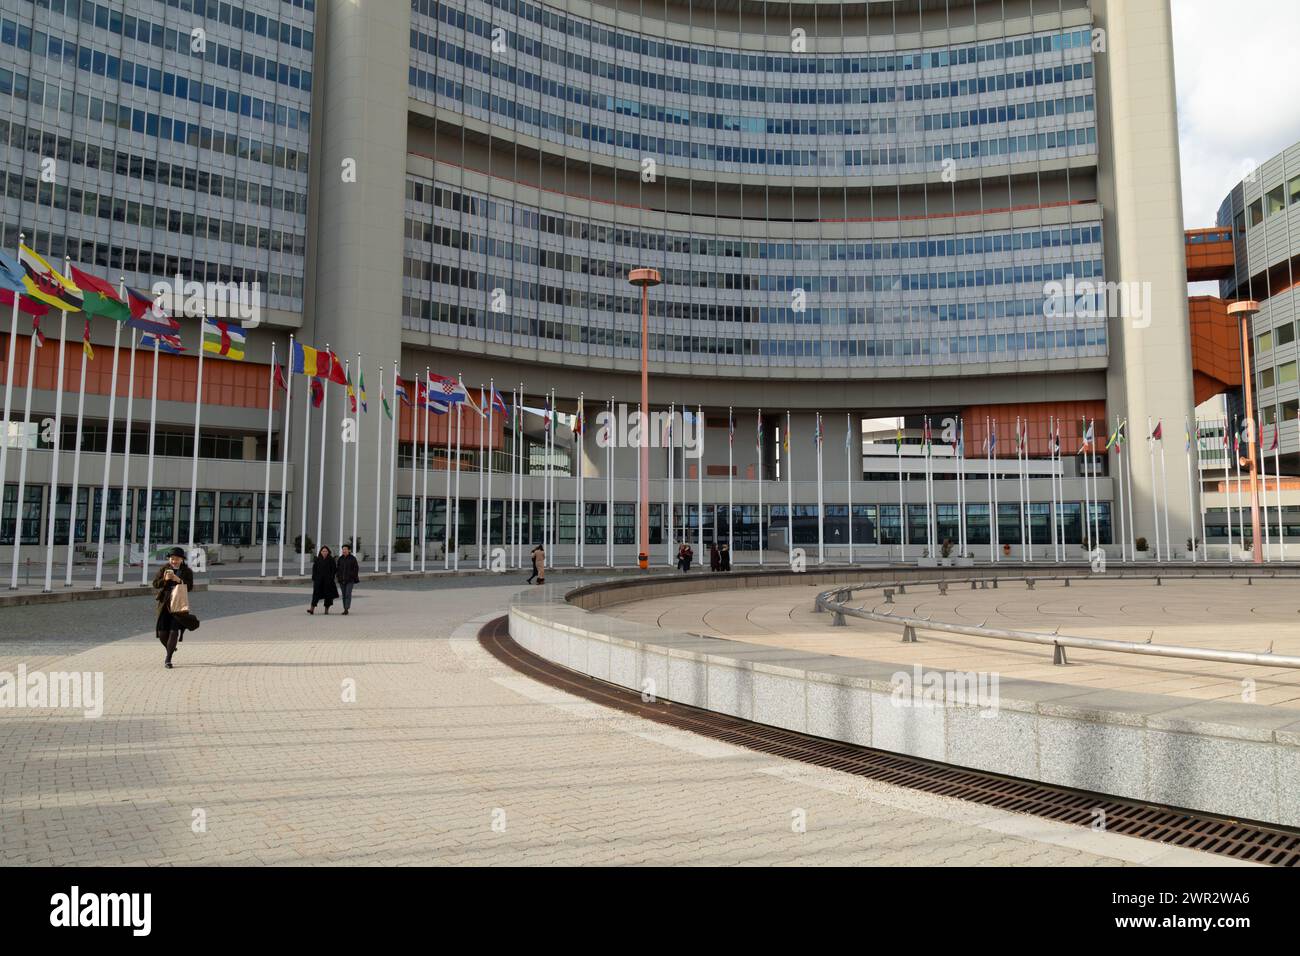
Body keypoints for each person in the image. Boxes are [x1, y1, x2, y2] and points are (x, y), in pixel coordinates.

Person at [152, 547, 193, 669]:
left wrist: (178, 580)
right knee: (162, 633)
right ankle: (171, 647)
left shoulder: (187, 571)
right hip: (165, 603)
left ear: (182, 559)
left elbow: (190, 587)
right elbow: (155, 584)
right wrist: (165, 580)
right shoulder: (164, 569)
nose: (174, 561)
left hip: (179, 603)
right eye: (172, 559)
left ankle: (168, 659)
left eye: (177, 559)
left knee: (174, 631)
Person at [308, 546, 339, 614]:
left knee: (328, 595)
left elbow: (334, 570)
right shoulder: (317, 559)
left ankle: (326, 610)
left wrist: (331, 577)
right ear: (320, 552)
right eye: (323, 551)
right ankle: (312, 609)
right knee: (315, 594)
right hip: (318, 580)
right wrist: (314, 578)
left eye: (326, 551)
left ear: (328, 552)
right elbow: (314, 569)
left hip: (328, 581)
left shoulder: (331, 560)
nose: (324, 552)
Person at [336, 544, 360, 615]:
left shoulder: (353, 558)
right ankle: (345, 609)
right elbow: (338, 569)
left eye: (345, 549)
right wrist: (338, 576)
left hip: (350, 580)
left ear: (349, 550)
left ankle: (346, 608)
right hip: (341, 580)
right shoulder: (340, 559)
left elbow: (356, 569)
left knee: (347, 594)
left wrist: (352, 576)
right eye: (343, 549)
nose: (344, 550)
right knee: (343, 594)